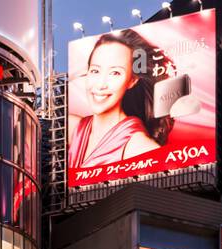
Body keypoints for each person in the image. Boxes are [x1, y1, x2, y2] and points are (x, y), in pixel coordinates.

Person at [67, 28, 168, 174]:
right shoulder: (72, 128)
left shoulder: (139, 147)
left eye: (115, 73)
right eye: (95, 71)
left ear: (132, 80)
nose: (101, 85)